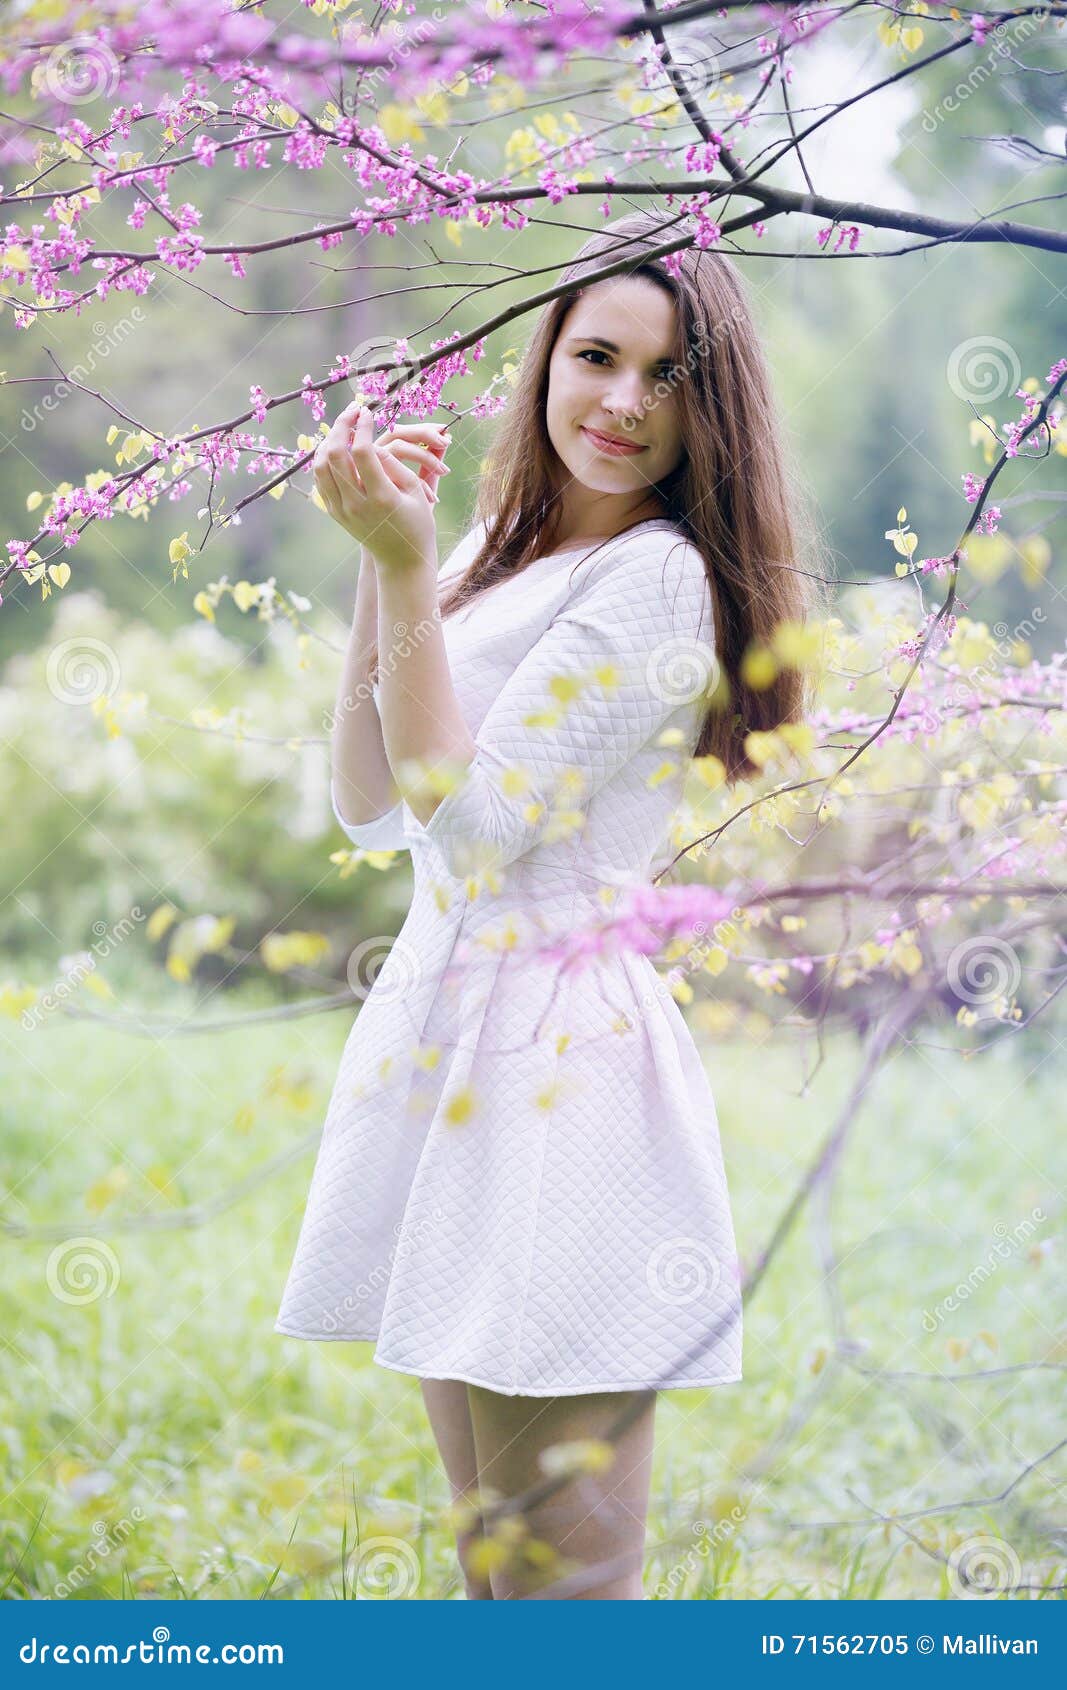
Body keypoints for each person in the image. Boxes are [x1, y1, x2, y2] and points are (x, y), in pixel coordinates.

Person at [275, 210, 818, 1599]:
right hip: (448, 1034)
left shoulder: (656, 581)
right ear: (546, 366)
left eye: (672, 374)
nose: (627, 402)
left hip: (559, 1066)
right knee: (496, 1563)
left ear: (716, 411)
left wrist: (401, 569)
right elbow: (369, 800)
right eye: (598, 357)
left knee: (564, 1599)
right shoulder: (485, 560)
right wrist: (382, 559)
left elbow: (484, 817)